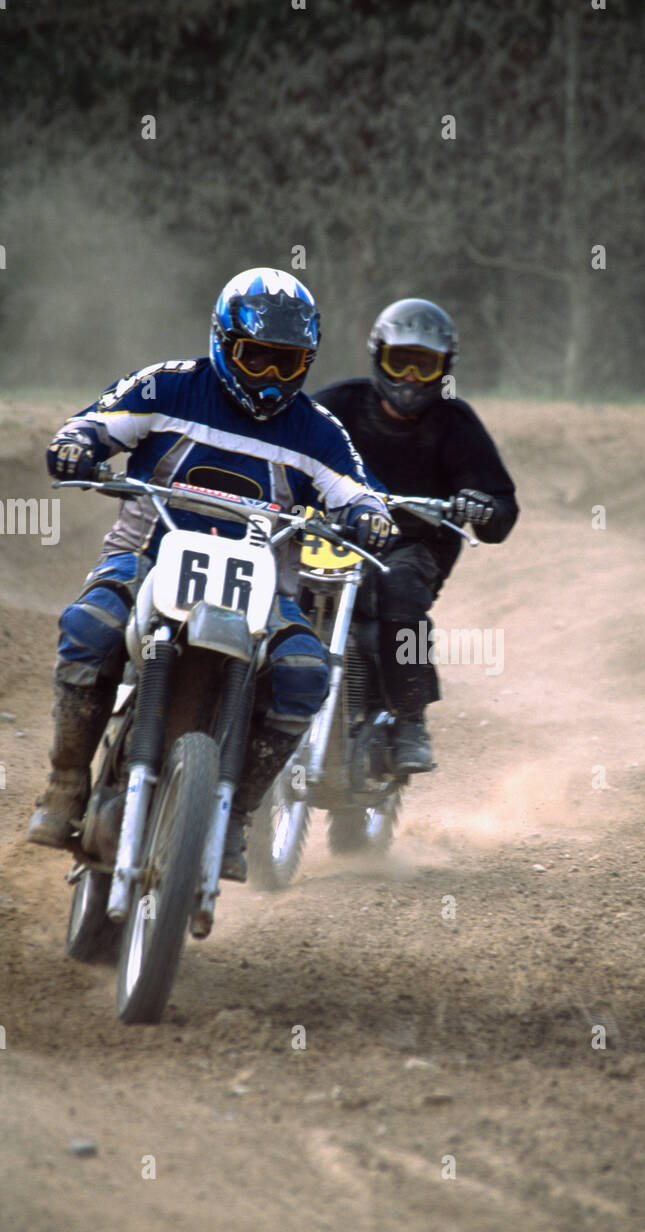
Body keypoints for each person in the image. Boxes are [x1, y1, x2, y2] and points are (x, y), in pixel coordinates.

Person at [27, 267, 391, 882]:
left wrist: (367, 515)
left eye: (288, 362)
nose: (272, 376)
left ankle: (236, 815)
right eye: (257, 357)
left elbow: (360, 490)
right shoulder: (167, 386)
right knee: (90, 627)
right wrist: (78, 444)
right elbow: (95, 422)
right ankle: (65, 786)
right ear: (224, 343)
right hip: (146, 553)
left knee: (304, 675)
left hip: (266, 584)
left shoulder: (319, 431)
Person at [312, 298, 519, 772]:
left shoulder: (456, 424)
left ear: (443, 370)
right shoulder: (338, 404)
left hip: (415, 544)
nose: (408, 376)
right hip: (334, 532)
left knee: (398, 591)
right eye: (399, 361)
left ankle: (409, 719)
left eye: (423, 366)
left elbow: (502, 507)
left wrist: (481, 506)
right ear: (377, 356)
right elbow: (284, 446)